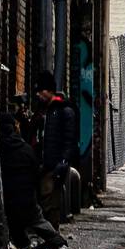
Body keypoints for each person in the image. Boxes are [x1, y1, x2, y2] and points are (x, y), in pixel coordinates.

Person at [0, 113, 66, 249]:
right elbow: (35, 173)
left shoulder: (0, 149)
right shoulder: (26, 149)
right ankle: (59, 243)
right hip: (26, 196)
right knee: (38, 222)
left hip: (8, 196)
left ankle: (24, 246)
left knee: (14, 223)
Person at [35, 71, 76, 229]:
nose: (38, 95)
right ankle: (49, 237)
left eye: (41, 91)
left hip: (54, 166)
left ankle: (52, 238)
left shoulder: (63, 111)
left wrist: (63, 162)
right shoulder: (44, 111)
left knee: (50, 204)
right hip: (42, 165)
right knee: (44, 201)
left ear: (49, 90)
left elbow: (69, 140)